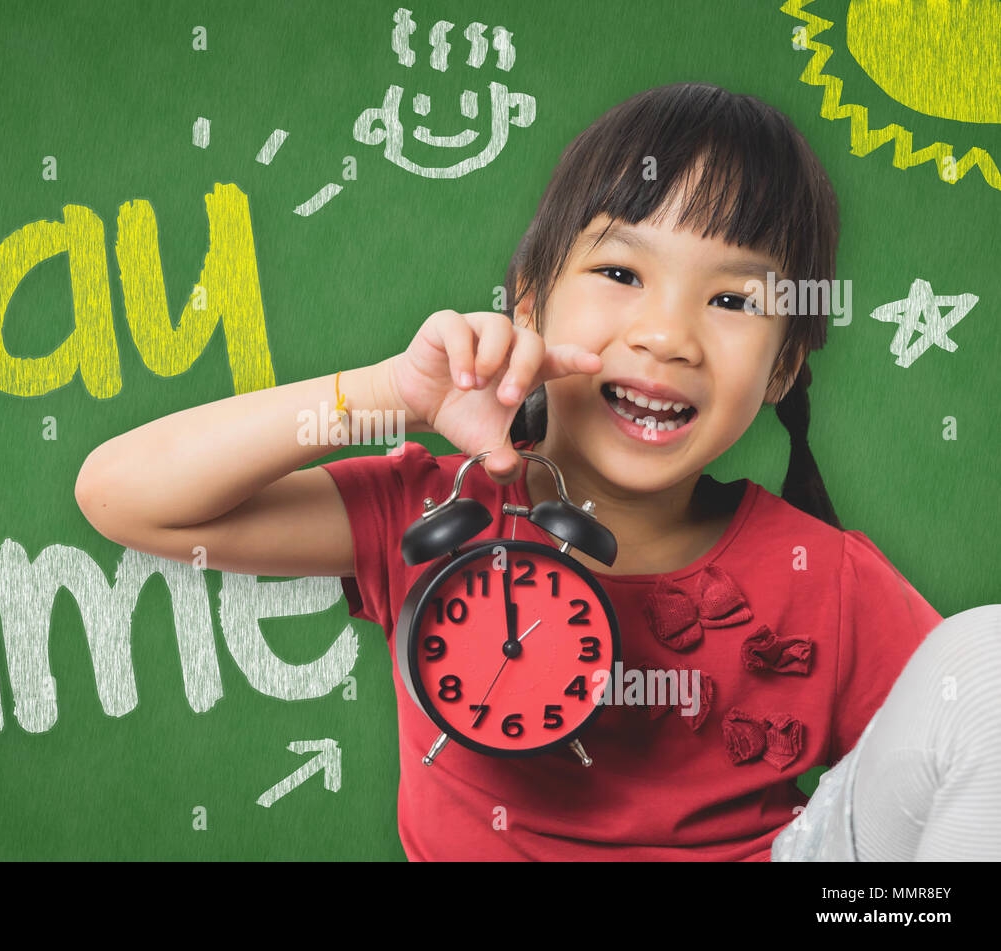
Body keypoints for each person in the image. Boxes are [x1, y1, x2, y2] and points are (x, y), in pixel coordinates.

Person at [74, 82, 1000, 861]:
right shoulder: (436, 507)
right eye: (622, 273)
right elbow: (124, 495)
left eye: (731, 299)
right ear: (527, 300)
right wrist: (392, 391)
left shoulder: (823, 577)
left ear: (785, 367)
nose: (666, 335)